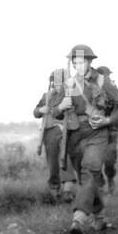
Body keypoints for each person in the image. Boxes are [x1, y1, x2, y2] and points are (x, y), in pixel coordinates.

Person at [56, 45, 118, 234]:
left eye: (82, 62)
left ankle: (78, 219)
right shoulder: (68, 84)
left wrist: (108, 120)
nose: (78, 66)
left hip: (97, 133)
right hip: (75, 136)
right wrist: (61, 106)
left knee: (91, 171)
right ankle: (100, 216)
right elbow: (55, 111)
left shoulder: (103, 82)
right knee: (87, 179)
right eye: (75, 63)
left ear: (89, 62)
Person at [33, 70, 70, 201]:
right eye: (55, 81)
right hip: (49, 133)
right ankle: (55, 190)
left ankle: (68, 189)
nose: (57, 84)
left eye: (61, 81)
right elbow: (35, 112)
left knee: (66, 159)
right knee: (53, 163)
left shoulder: (69, 95)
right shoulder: (46, 96)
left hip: (65, 131)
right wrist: (40, 110)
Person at [94, 65, 118, 192]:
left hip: (111, 130)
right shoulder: (90, 89)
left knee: (109, 160)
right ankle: (100, 183)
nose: (106, 77)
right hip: (94, 130)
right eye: (104, 75)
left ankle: (110, 179)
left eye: (107, 75)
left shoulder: (113, 89)